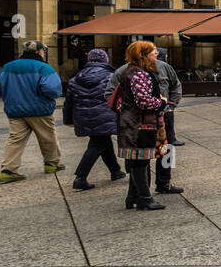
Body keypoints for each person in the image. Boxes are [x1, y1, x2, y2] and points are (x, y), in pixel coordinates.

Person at [107, 52, 185, 196]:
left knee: (167, 150)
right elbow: (110, 93)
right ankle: (141, 189)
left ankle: (165, 182)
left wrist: (171, 106)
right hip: (140, 121)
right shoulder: (124, 71)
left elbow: (176, 85)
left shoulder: (164, 67)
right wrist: (128, 111)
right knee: (141, 155)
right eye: (152, 52)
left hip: (163, 115)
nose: (156, 54)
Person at [0, 39, 64, 184]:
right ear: (39, 52)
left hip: (15, 111)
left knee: (15, 139)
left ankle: (8, 170)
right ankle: (51, 164)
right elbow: (53, 90)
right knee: (48, 137)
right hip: (40, 110)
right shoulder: (44, 68)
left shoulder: (8, 67)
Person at [112, 41, 168, 211]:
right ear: (143, 55)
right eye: (153, 52)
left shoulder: (129, 71)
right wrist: (161, 102)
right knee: (140, 161)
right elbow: (143, 101)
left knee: (138, 160)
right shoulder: (139, 74)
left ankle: (133, 197)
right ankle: (144, 198)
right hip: (139, 124)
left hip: (131, 122)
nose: (156, 54)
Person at [62, 48, 125, 191]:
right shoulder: (111, 77)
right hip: (106, 115)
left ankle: (115, 170)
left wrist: (68, 120)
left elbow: (68, 103)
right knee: (97, 144)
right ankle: (80, 177)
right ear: (105, 60)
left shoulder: (75, 78)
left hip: (84, 117)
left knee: (103, 140)